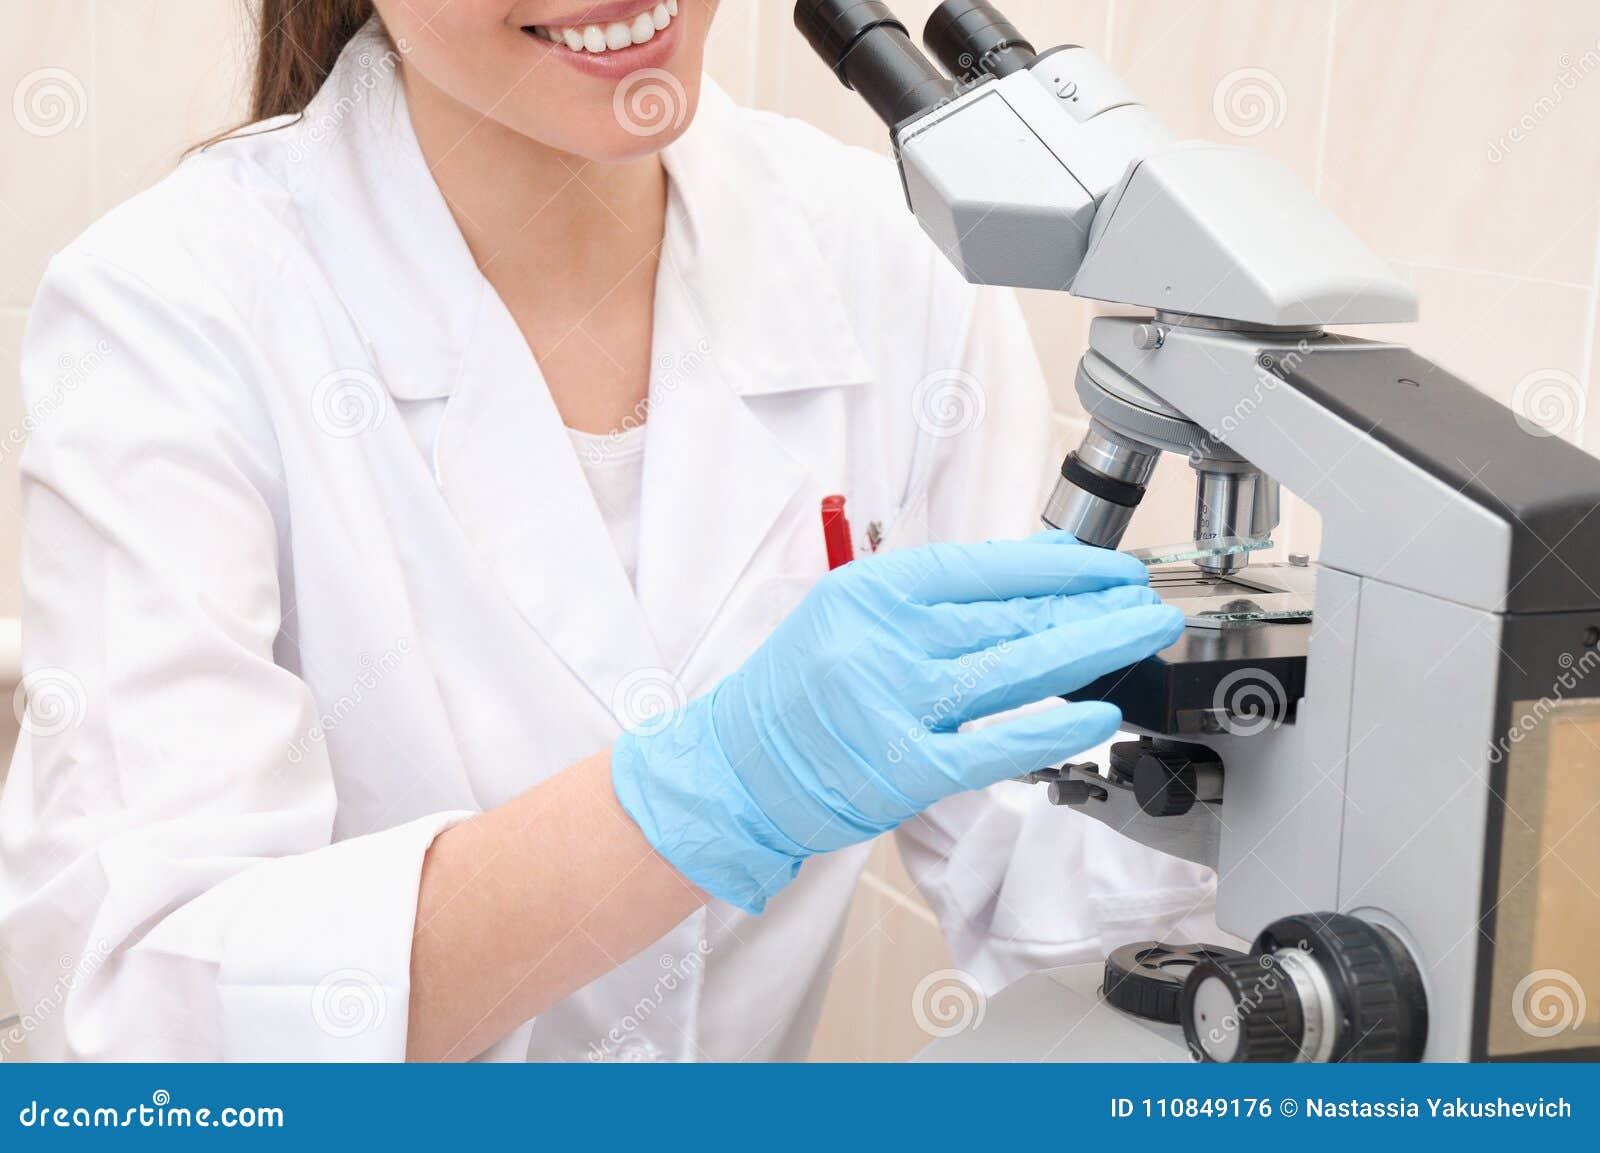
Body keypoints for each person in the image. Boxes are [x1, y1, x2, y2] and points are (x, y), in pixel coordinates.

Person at [0, 0, 1216, 1061]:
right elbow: (135, 1024)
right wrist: (715, 789)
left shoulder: (888, 263)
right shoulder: (171, 313)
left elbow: (1056, 858)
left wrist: (1248, 801)